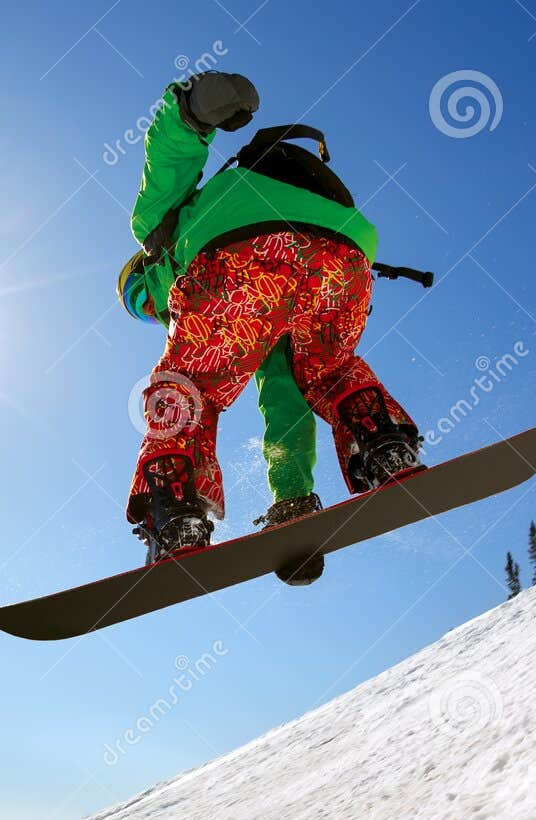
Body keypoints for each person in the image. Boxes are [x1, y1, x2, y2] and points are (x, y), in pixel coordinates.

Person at [119, 71, 422, 584]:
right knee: (323, 369)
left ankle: (177, 517)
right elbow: (285, 402)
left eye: (143, 302)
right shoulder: (255, 324)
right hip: (342, 249)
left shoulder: (156, 236)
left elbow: (167, 162)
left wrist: (190, 109)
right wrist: (295, 508)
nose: (156, 312)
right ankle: (384, 448)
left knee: (190, 389)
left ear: (145, 274)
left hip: (241, 250)